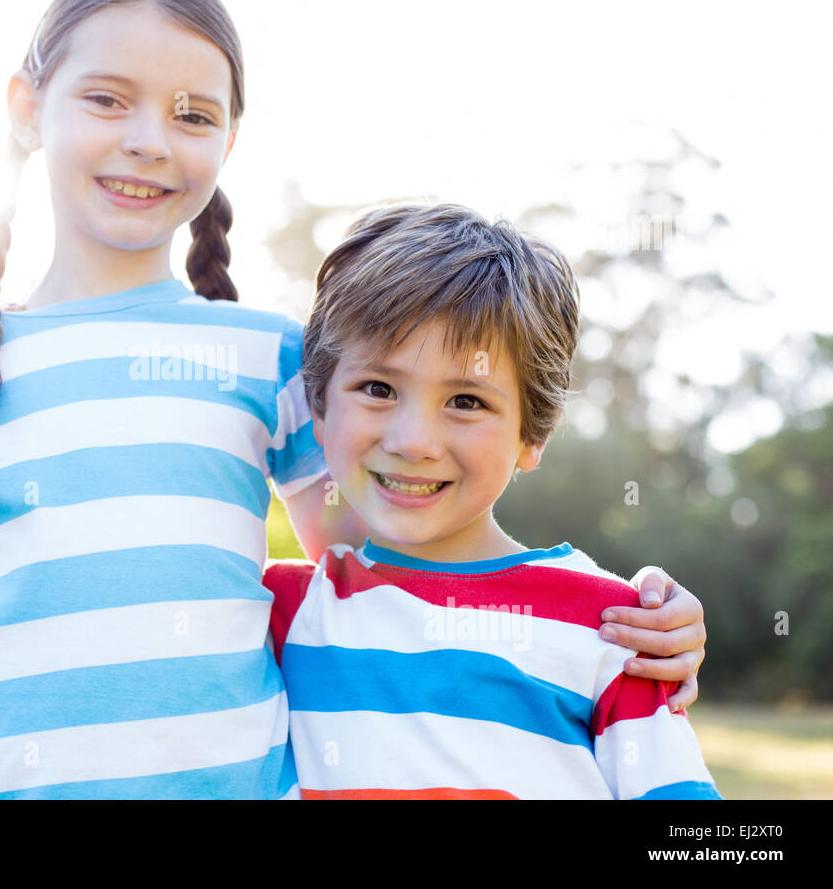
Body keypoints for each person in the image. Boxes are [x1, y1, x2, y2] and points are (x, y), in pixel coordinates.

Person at [0, 0, 707, 799]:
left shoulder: (270, 357)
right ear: (26, 108)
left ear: (227, 142)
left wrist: (624, 635)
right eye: (107, 98)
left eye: (192, 114)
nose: (149, 140)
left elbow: (381, 588)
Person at [265, 203, 722, 798]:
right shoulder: (282, 612)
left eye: (466, 401)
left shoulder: (614, 628)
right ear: (319, 410)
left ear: (532, 435)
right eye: (377, 388)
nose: (414, 442)